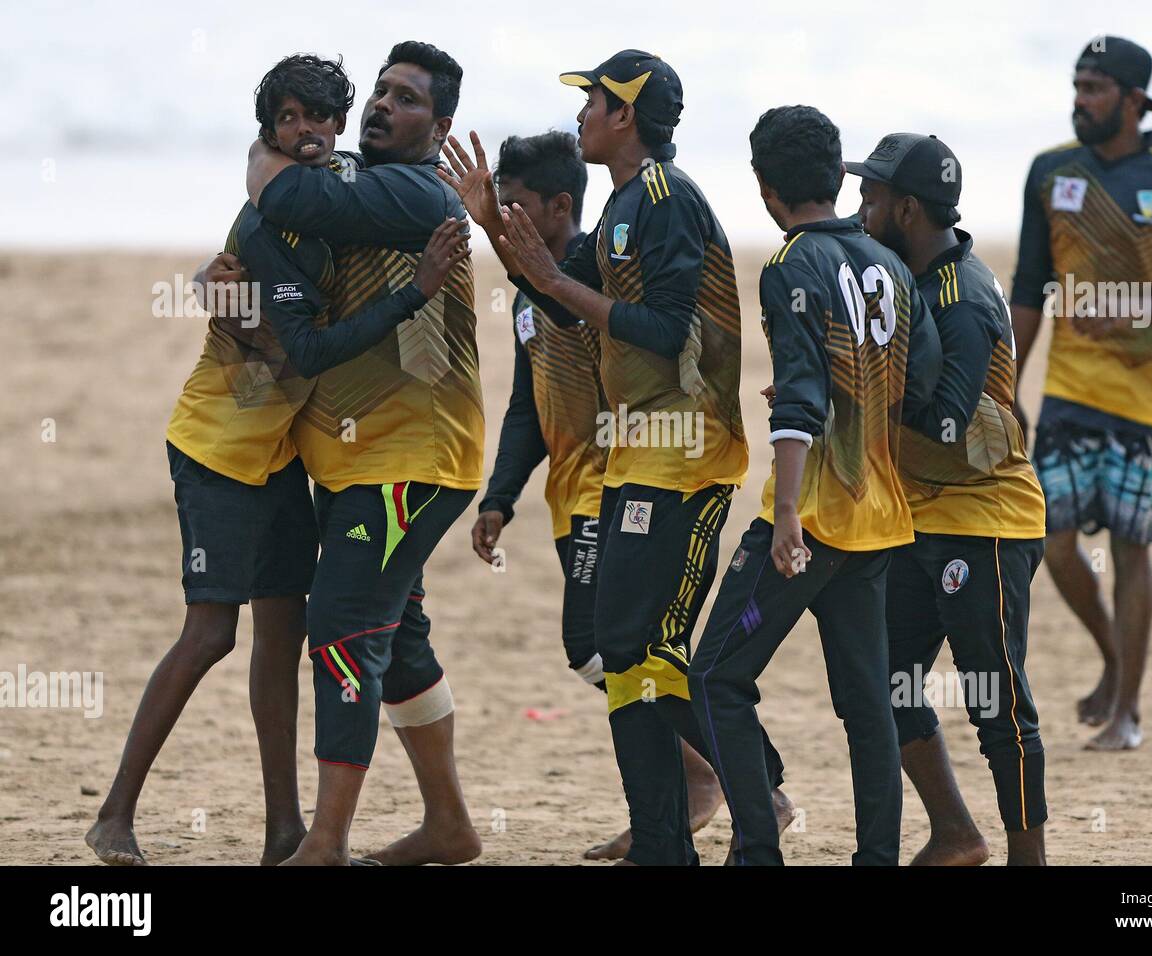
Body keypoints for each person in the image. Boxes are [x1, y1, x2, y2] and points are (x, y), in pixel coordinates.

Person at [87, 53, 458, 866]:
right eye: (285, 122)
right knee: (212, 633)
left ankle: (284, 830)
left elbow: (296, 313)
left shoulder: (330, 196)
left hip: (283, 453)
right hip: (220, 445)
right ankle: (115, 814)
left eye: (315, 120)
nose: (303, 134)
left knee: (284, 638)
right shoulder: (268, 223)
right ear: (268, 131)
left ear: (335, 124)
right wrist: (413, 292)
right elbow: (312, 350)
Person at [442, 50, 788, 865]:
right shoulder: (626, 207)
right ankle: (663, 845)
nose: (581, 114)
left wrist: (552, 282)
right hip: (638, 463)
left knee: (646, 648)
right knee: (620, 651)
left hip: (690, 457)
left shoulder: (665, 202)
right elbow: (557, 305)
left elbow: (665, 331)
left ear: (625, 114)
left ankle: (753, 804)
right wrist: (493, 223)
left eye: (591, 100)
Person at [244, 41, 482, 865]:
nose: (385, 105)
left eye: (407, 99)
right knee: (397, 634)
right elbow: (293, 214)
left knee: (343, 630)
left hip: (410, 458)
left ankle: (326, 843)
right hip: (355, 460)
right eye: (380, 92)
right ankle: (449, 826)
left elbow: (289, 193)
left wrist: (263, 156)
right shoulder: (354, 177)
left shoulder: (420, 191)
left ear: (440, 127)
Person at [688, 106, 941, 865]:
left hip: (811, 520)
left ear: (763, 187)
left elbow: (799, 398)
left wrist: (790, 511)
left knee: (715, 677)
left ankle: (757, 849)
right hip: (880, 520)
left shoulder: (789, 266)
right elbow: (920, 382)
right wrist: (843, 394)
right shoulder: (892, 266)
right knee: (869, 708)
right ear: (839, 178)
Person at [468, 130, 725, 860]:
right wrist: (499, 496)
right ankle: (703, 783)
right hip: (565, 493)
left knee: (600, 646)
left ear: (558, 207)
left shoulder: (588, 282)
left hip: (617, 487)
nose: (507, 218)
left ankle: (726, 774)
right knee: (610, 653)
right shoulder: (532, 296)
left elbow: (601, 322)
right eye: (500, 207)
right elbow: (527, 403)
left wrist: (497, 236)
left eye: (516, 207)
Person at [1009, 36, 1152, 750]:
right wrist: (1005, 385)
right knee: (1054, 544)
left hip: (1148, 397)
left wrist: (1130, 310)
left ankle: (1127, 709)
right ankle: (1111, 656)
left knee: (1131, 547)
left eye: (1095, 89)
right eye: (1077, 86)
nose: (1080, 100)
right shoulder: (1049, 174)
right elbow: (1029, 288)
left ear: (1134, 100)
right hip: (1069, 387)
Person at [854, 132, 1048, 864]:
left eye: (869, 196)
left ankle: (1029, 859)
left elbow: (945, 421)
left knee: (995, 703)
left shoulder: (961, 297)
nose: (858, 208)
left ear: (906, 208)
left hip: (986, 522)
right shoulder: (905, 277)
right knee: (889, 678)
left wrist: (852, 393)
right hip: (919, 517)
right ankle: (957, 833)